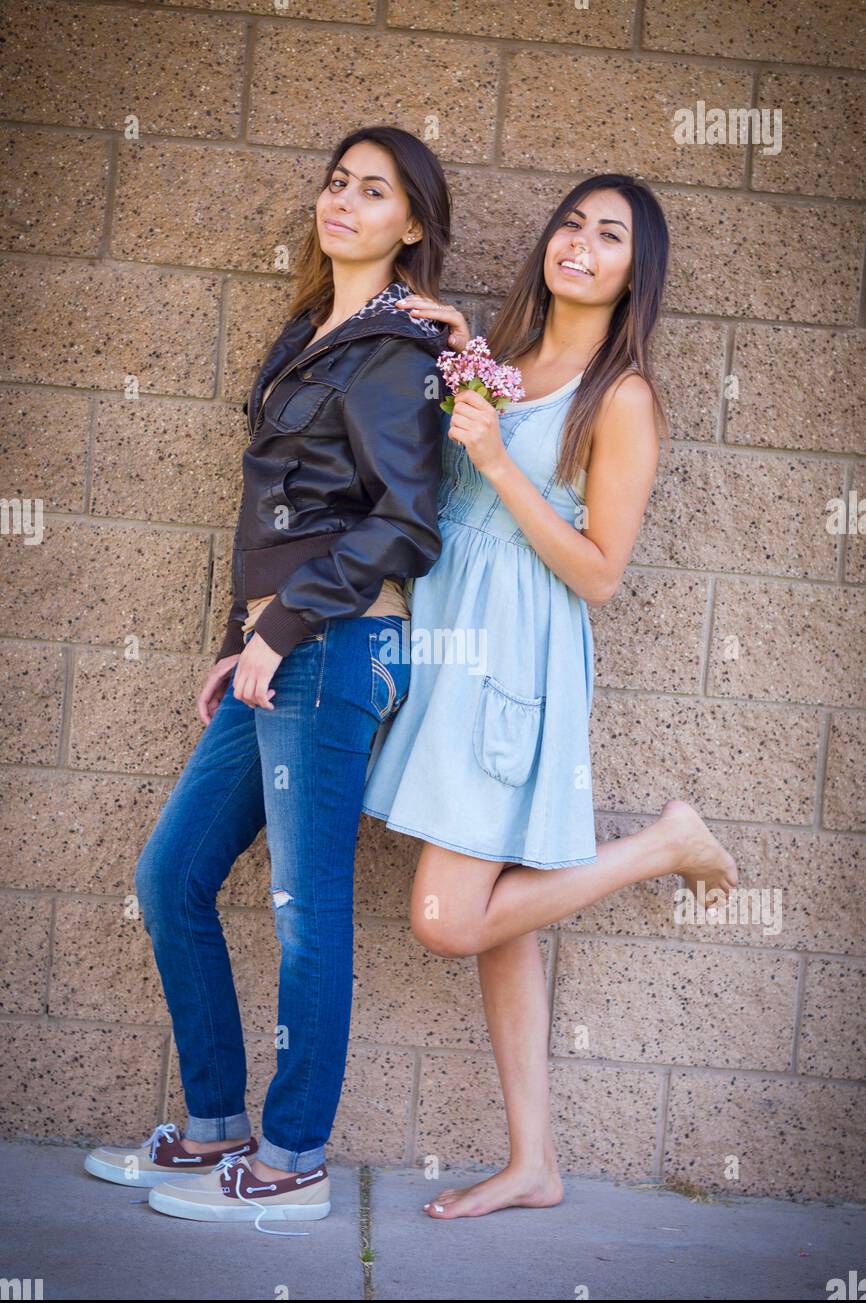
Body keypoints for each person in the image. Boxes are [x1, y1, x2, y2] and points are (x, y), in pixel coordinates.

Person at [84, 126, 457, 1231]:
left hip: (333, 649)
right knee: (171, 878)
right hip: (274, 653)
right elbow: (269, 517)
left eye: (372, 190)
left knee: (306, 910)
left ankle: (293, 1160)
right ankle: (214, 1129)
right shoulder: (308, 332)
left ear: (411, 225)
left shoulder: (393, 348)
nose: (341, 200)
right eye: (335, 181)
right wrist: (233, 635)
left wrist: (282, 627)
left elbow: (405, 523)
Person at [361, 173, 739, 1220]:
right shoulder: (508, 363)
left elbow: (601, 572)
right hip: (447, 649)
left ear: (633, 274)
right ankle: (536, 1160)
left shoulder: (619, 398)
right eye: (570, 222)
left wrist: (493, 455)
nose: (578, 242)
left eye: (607, 235)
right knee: (499, 924)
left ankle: (663, 844)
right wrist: (451, 352)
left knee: (447, 919)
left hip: (511, 669)